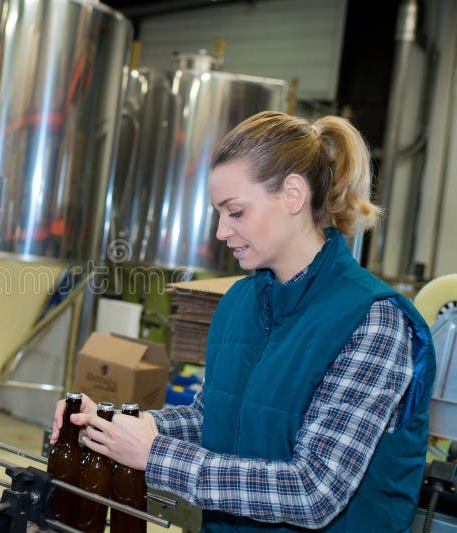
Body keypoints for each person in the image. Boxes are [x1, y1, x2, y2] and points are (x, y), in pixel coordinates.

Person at [51, 111, 436, 532]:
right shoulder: (238, 303)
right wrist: (113, 424)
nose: (221, 231)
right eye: (219, 213)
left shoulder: (373, 320)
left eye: (235, 212)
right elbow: (212, 420)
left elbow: (313, 491)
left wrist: (155, 455)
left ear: (293, 194)